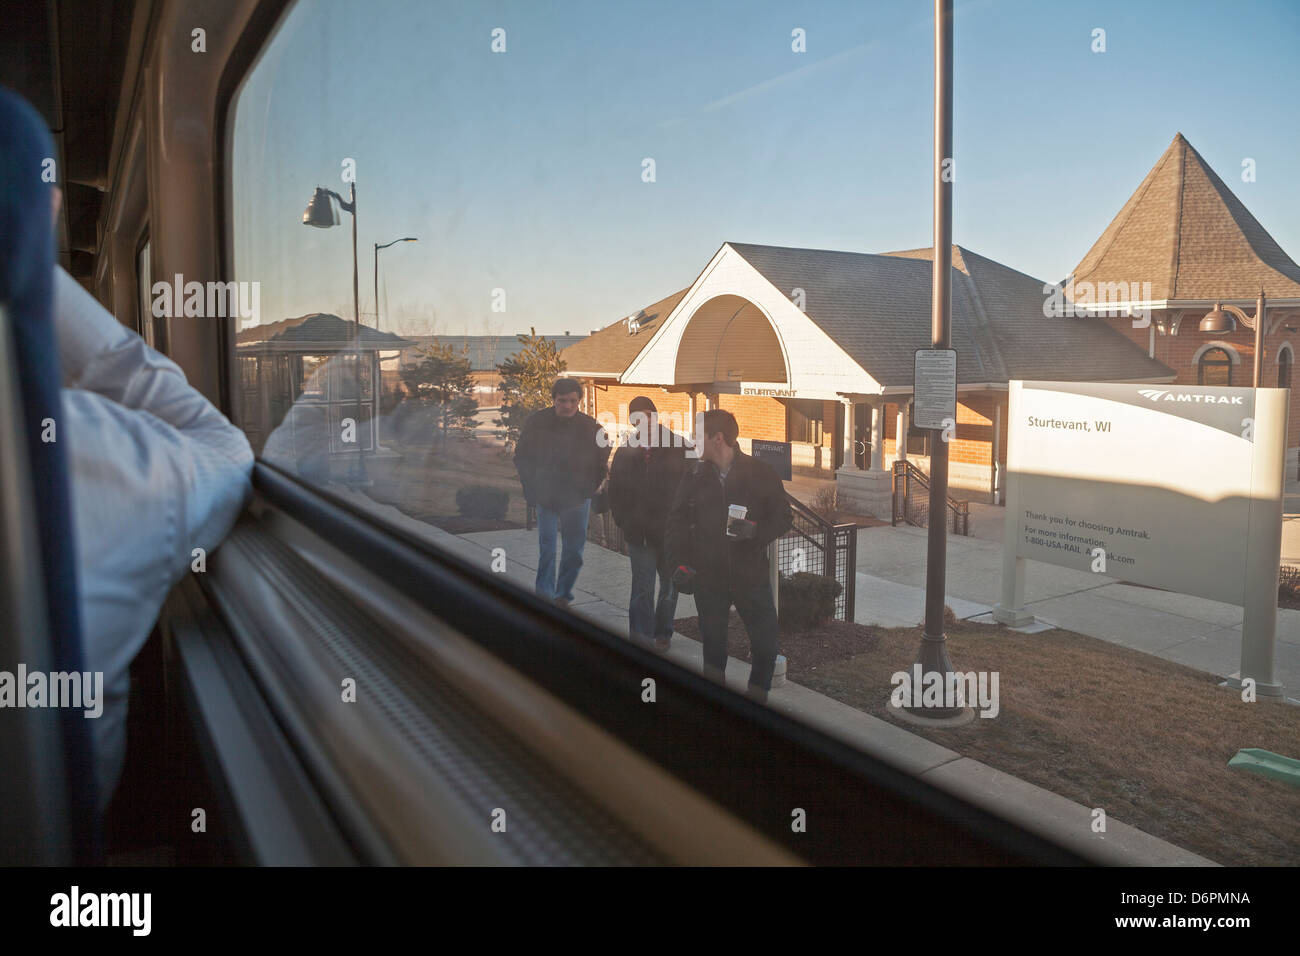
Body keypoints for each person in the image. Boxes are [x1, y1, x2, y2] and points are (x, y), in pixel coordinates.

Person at [665, 409, 791, 703]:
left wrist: (755, 532)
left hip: (750, 574)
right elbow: (677, 522)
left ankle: (756, 700)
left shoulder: (760, 473)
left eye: (698, 435)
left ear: (717, 438)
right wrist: (677, 563)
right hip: (709, 576)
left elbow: (783, 517)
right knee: (713, 646)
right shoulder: (694, 475)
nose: (692, 440)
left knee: (766, 646)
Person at [513, 377, 608, 607]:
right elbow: (521, 456)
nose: (567, 405)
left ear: (579, 401)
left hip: (577, 499)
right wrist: (531, 490)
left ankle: (562, 595)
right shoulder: (537, 422)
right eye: (562, 400)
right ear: (553, 400)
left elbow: (603, 454)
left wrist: (593, 484)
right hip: (546, 497)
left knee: (573, 551)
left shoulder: (591, 426)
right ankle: (544, 597)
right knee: (547, 549)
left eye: (573, 401)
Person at [607, 396, 688, 651]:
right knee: (642, 588)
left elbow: (693, 491)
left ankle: (663, 632)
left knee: (669, 587)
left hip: (671, 534)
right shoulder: (625, 451)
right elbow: (615, 490)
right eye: (637, 418)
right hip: (639, 533)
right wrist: (623, 521)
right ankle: (640, 639)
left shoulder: (679, 447)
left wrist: (685, 525)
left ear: (656, 415)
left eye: (648, 415)